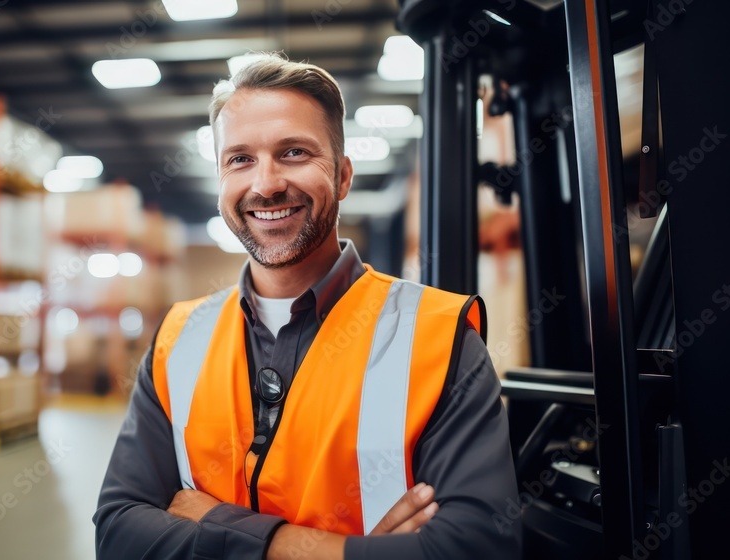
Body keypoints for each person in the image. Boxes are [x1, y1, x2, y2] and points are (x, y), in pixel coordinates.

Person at [94, 53, 522, 559]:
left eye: (294, 152)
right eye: (240, 159)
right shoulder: (179, 337)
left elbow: (478, 548)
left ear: (342, 176)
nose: (266, 184)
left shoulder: (437, 336)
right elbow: (118, 532)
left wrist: (214, 523)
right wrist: (349, 551)